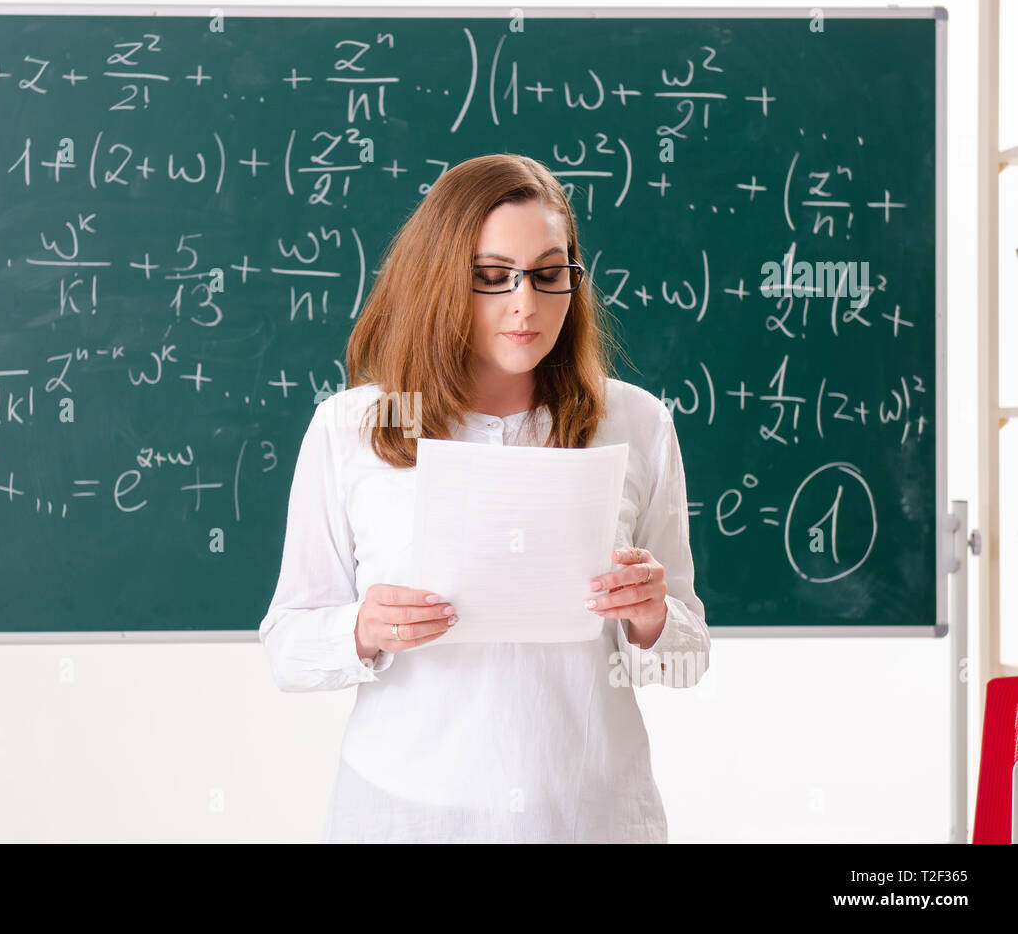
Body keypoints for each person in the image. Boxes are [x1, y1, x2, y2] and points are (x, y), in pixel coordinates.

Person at [257, 153, 710, 843]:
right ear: (442, 279)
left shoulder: (637, 423)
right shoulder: (352, 429)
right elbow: (288, 644)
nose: (524, 303)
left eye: (549, 274)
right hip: (404, 816)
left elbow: (688, 650)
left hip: (589, 817)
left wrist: (652, 618)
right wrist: (363, 628)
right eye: (492, 277)